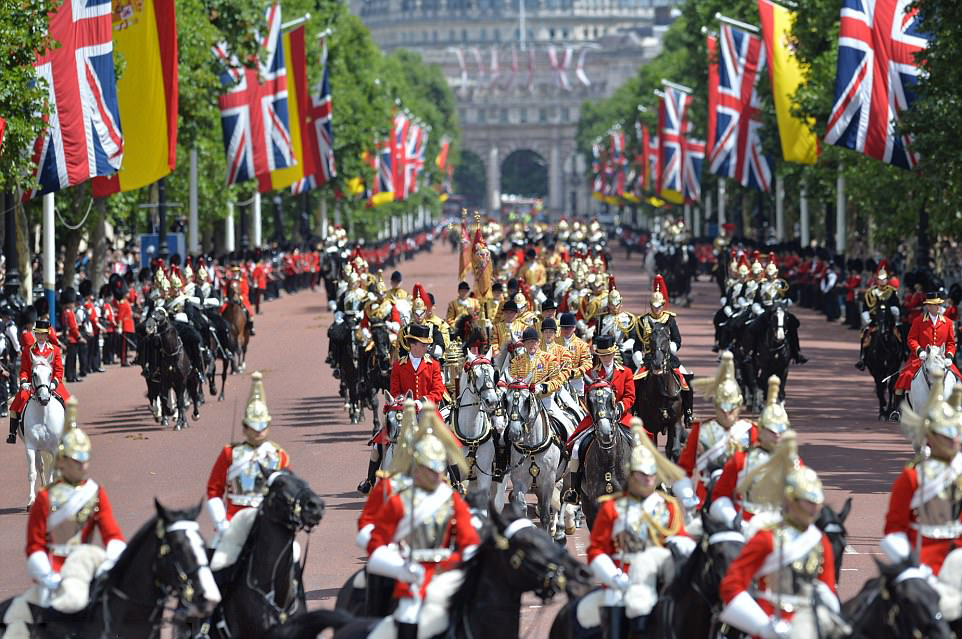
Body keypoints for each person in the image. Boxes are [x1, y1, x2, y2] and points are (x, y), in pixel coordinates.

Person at [366, 405, 479, 639]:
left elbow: (470, 543)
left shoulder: (451, 499)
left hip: (447, 574)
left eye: (439, 468)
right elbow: (376, 546)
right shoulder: (399, 500)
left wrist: (457, 564)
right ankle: (368, 479)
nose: (436, 475)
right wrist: (402, 568)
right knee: (408, 615)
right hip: (411, 577)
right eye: (429, 469)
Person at [718, 432, 840, 639]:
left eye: (817, 503)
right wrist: (763, 626)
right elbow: (732, 585)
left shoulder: (820, 542)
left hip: (806, 624)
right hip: (768, 621)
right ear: (791, 500)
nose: (814, 510)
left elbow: (826, 590)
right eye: (808, 502)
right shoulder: (766, 539)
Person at [587, 419, 693, 638]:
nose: (647, 480)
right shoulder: (612, 507)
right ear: (631, 474)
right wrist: (614, 577)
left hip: (660, 578)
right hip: (623, 576)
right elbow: (596, 550)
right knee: (613, 602)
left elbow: (681, 540)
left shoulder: (668, 507)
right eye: (641, 475)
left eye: (651, 475)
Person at [24, 399, 125, 608]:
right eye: (75, 459)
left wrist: (112, 562)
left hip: (84, 569)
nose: (82, 465)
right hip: (52, 573)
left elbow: (112, 535)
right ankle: (15, 425)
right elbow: (34, 546)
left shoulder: (95, 493)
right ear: (61, 461)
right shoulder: (44, 498)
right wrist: (48, 577)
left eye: (85, 458)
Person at [882, 372, 962, 616]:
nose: (954, 441)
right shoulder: (913, 477)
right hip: (921, 559)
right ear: (930, 437)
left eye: (956, 434)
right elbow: (893, 531)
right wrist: (913, 566)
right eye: (946, 436)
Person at [206, 372, 289, 538]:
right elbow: (214, 490)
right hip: (234, 522)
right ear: (245, 428)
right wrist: (221, 523)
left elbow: (286, 492)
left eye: (262, 426)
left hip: (269, 522)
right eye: (253, 426)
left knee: (294, 552)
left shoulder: (279, 455)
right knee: (216, 561)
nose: (258, 431)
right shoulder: (230, 453)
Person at [678, 351, 757, 509]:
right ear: (715, 404)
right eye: (722, 407)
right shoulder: (701, 431)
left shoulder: (750, 431)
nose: (727, 412)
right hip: (707, 499)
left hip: (742, 502)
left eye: (731, 407)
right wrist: (687, 496)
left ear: (739, 405)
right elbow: (683, 470)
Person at [710, 375, 790, 528]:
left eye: (782, 430)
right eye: (772, 430)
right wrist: (734, 519)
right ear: (760, 430)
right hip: (746, 523)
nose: (778, 435)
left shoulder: (794, 462)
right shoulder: (741, 460)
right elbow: (720, 496)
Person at [565, 335, 636, 503]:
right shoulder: (592, 373)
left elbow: (630, 396)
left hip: (621, 418)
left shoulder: (625, 372)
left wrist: (619, 407)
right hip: (596, 419)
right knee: (576, 449)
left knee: (641, 444)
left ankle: (648, 485)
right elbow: (585, 397)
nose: (606, 358)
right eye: (603, 355)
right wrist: (595, 412)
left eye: (609, 355)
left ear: (614, 354)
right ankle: (575, 490)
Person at [637, 275, 693, 424]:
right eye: (654, 306)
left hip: (668, 357)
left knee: (686, 379)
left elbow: (677, 340)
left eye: (659, 306)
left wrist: (670, 349)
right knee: (635, 382)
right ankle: (636, 412)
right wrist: (638, 357)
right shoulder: (643, 320)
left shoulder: (669, 319)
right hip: (649, 358)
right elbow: (638, 343)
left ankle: (688, 412)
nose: (656, 309)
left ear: (663, 305)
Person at [893, 289, 960, 404]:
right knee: (903, 378)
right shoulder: (918, 321)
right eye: (935, 305)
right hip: (921, 358)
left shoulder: (948, 322)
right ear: (928, 306)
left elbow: (951, 343)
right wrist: (920, 351)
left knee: (958, 379)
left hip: (941, 358)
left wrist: (949, 357)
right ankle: (897, 410)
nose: (938, 307)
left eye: (939, 304)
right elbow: (911, 339)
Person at [9, 320, 70, 444]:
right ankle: (12, 433)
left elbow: (59, 370)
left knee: (69, 401)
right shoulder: (28, 350)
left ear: (47, 335)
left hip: (52, 383)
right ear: (35, 334)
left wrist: (54, 383)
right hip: (33, 384)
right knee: (16, 403)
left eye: (43, 334)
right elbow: (24, 370)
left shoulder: (55, 350)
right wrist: (24, 381)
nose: (41, 337)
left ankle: (69, 431)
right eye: (38, 334)